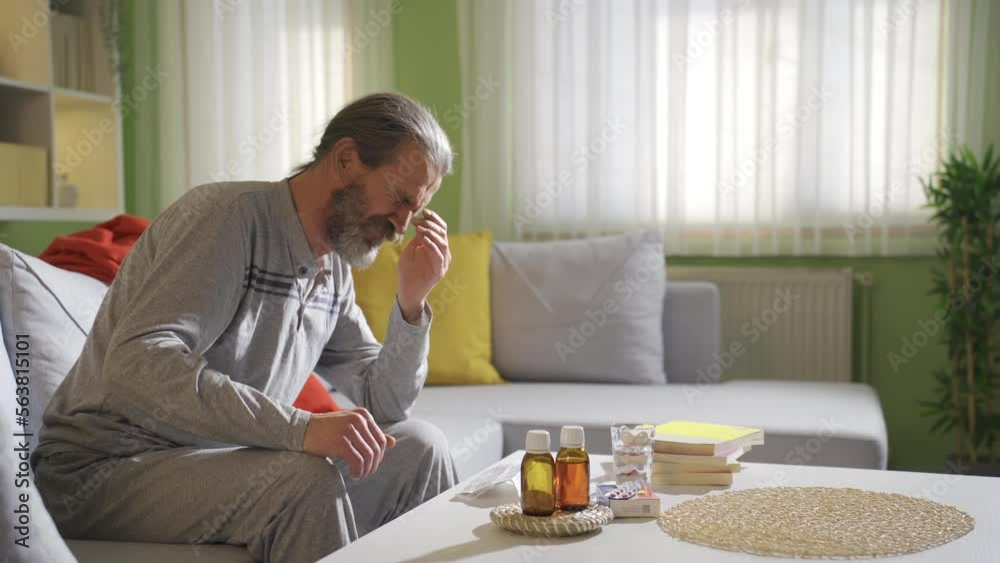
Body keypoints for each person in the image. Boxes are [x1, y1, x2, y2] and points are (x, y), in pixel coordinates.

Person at [32, 92, 457, 563]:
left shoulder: (332, 268)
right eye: (399, 199)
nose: (402, 226)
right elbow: (137, 366)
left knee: (422, 448)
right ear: (345, 160)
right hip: (104, 469)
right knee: (303, 482)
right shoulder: (228, 219)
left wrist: (412, 304)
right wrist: (301, 429)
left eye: (414, 211)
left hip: (218, 461)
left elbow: (387, 404)